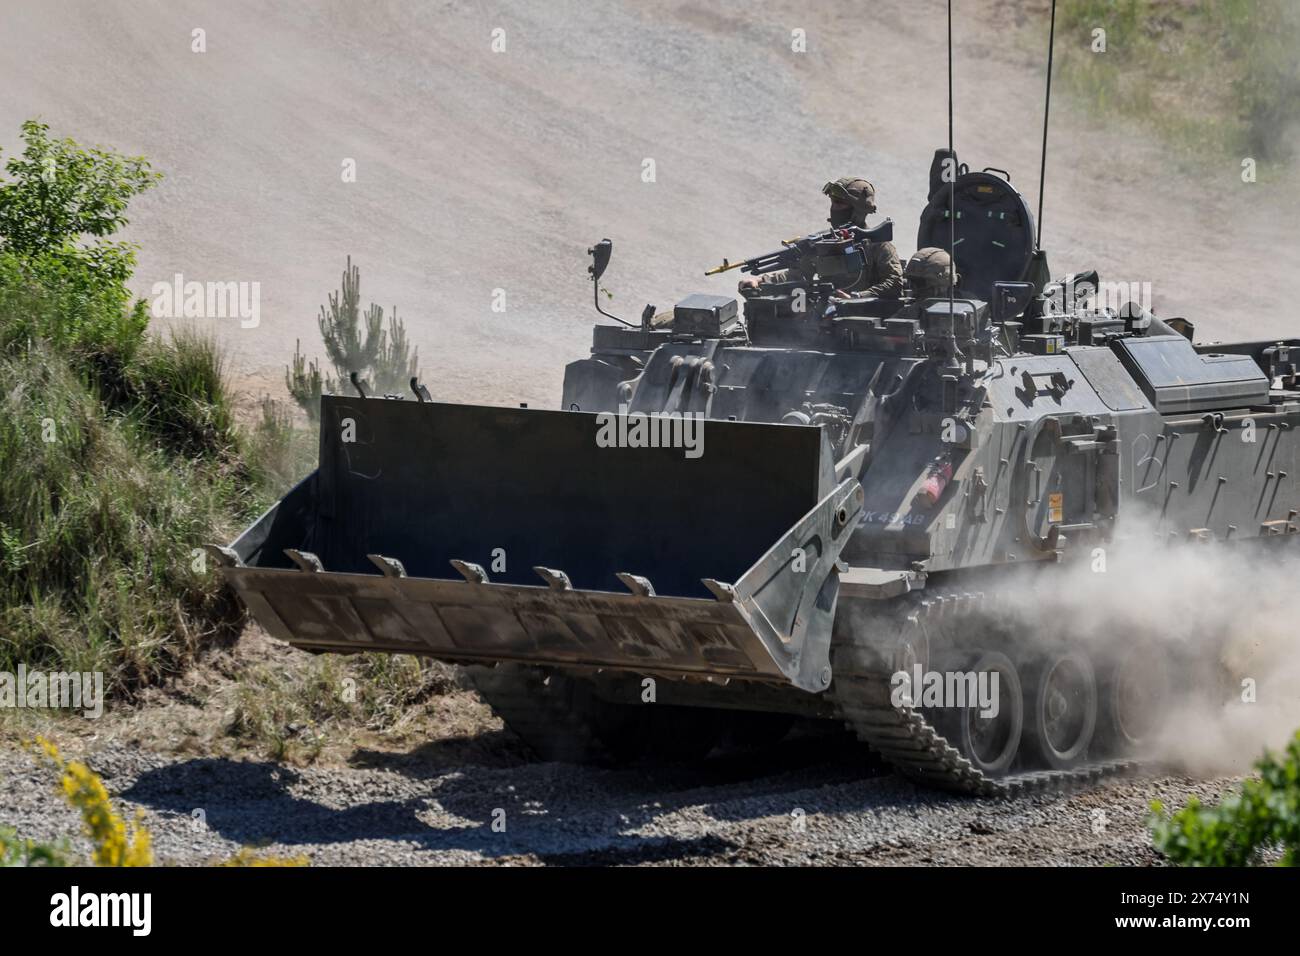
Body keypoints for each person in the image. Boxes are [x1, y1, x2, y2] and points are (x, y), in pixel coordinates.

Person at [738, 177, 902, 299]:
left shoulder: (878, 246)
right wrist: (760, 280)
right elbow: (799, 274)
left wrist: (858, 297)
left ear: (857, 209)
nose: (833, 208)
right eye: (832, 202)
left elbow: (894, 283)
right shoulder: (824, 242)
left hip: (864, 318)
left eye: (839, 203)